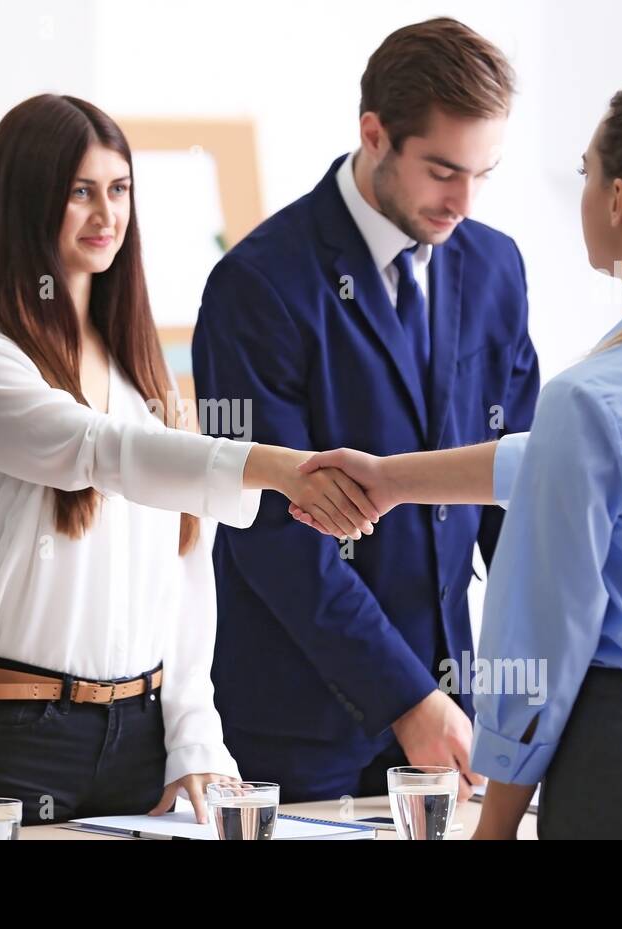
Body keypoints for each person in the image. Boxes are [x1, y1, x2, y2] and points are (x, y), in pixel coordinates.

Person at [295, 75, 622, 839]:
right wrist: (392, 479)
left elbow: (540, 642)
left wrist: (495, 822)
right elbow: (559, 464)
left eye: (586, 172)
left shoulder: (592, 398)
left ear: (619, 199)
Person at [0, 94, 378, 833]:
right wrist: (278, 465)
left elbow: (189, 570)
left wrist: (194, 732)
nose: (106, 213)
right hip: (12, 736)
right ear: (25, 199)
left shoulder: (148, 380)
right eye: (80, 191)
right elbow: (100, 451)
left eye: (119, 188)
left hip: (140, 736)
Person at [191, 17, 539, 804]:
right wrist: (404, 697)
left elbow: (516, 486)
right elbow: (271, 527)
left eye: (484, 174)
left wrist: (542, 674)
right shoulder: (257, 284)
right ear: (374, 134)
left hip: (458, 710)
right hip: (299, 721)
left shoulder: (494, 266)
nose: (465, 200)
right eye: (444, 171)